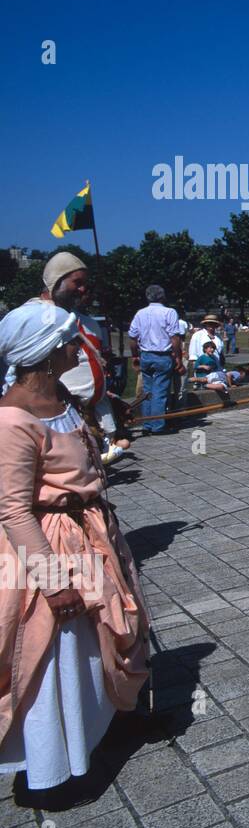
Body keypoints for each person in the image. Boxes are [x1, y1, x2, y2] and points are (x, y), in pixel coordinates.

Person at [0, 304, 150, 801]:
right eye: (69, 342)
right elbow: (15, 512)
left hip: (90, 531)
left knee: (110, 633)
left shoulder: (59, 396)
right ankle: (50, 771)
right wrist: (54, 580)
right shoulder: (12, 420)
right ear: (43, 355)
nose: (77, 348)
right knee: (57, 650)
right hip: (52, 544)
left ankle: (109, 725)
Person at [3, 252, 130, 466]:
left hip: (81, 411)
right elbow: (18, 374)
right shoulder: (33, 319)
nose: (82, 290)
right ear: (56, 281)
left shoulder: (81, 320)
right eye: (76, 283)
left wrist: (103, 394)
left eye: (85, 285)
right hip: (45, 419)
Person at [128, 285, 183, 435]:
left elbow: (132, 337)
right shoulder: (169, 312)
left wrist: (134, 355)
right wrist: (178, 357)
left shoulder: (140, 313)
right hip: (162, 355)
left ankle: (147, 424)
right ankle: (158, 425)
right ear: (162, 296)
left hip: (145, 354)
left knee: (147, 390)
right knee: (160, 391)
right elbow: (175, 337)